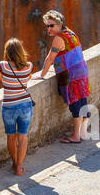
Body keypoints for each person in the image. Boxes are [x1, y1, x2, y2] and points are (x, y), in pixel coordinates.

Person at [0, 38, 34, 176]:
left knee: (11, 137)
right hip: (25, 105)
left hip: (9, 106)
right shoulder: (28, 66)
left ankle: (14, 163)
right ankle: (19, 168)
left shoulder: (3, 66)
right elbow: (28, 78)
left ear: (7, 52)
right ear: (21, 51)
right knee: (23, 137)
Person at [34, 10, 90, 143]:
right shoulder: (70, 32)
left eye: (51, 25)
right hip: (81, 71)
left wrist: (42, 75)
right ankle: (83, 133)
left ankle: (76, 137)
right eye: (47, 25)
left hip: (71, 75)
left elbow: (50, 58)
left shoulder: (59, 39)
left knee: (75, 105)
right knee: (82, 101)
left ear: (59, 24)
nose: (49, 28)